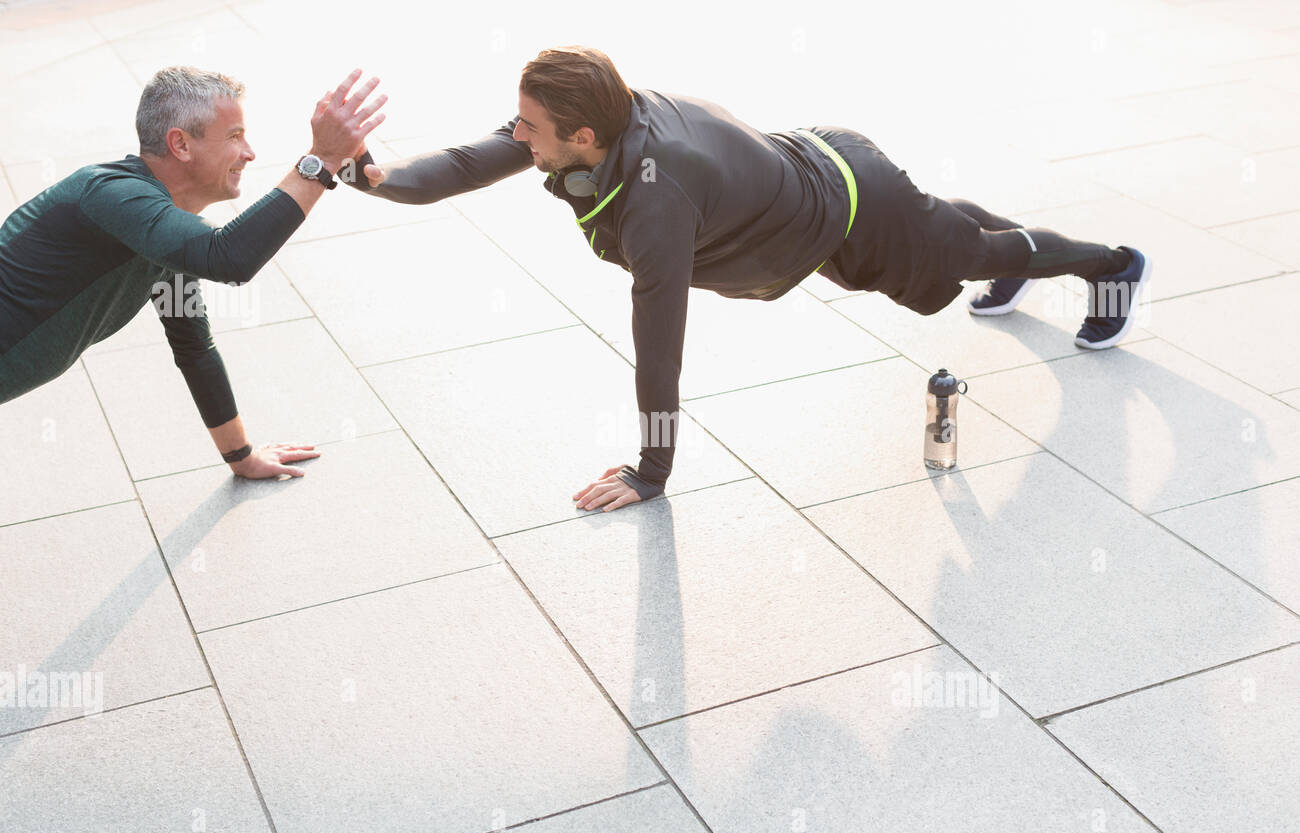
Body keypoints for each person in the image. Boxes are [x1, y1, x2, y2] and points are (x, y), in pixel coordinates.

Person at [343, 46, 1151, 511]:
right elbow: (461, 164)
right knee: (950, 230)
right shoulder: (598, 118)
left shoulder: (657, 204)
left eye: (529, 127)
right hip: (821, 177)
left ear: (583, 132)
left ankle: (1113, 265)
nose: (516, 136)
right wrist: (368, 176)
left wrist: (649, 472)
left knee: (973, 252)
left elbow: (658, 346)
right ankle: (978, 241)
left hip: (850, 209)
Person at [0, 66, 387, 478]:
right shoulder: (111, 195)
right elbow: (230, 258)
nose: (250, 152)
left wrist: (242, 457)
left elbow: (193, 346)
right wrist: (321, 161)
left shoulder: (158, 237)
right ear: (181, 144)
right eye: (234, 136)